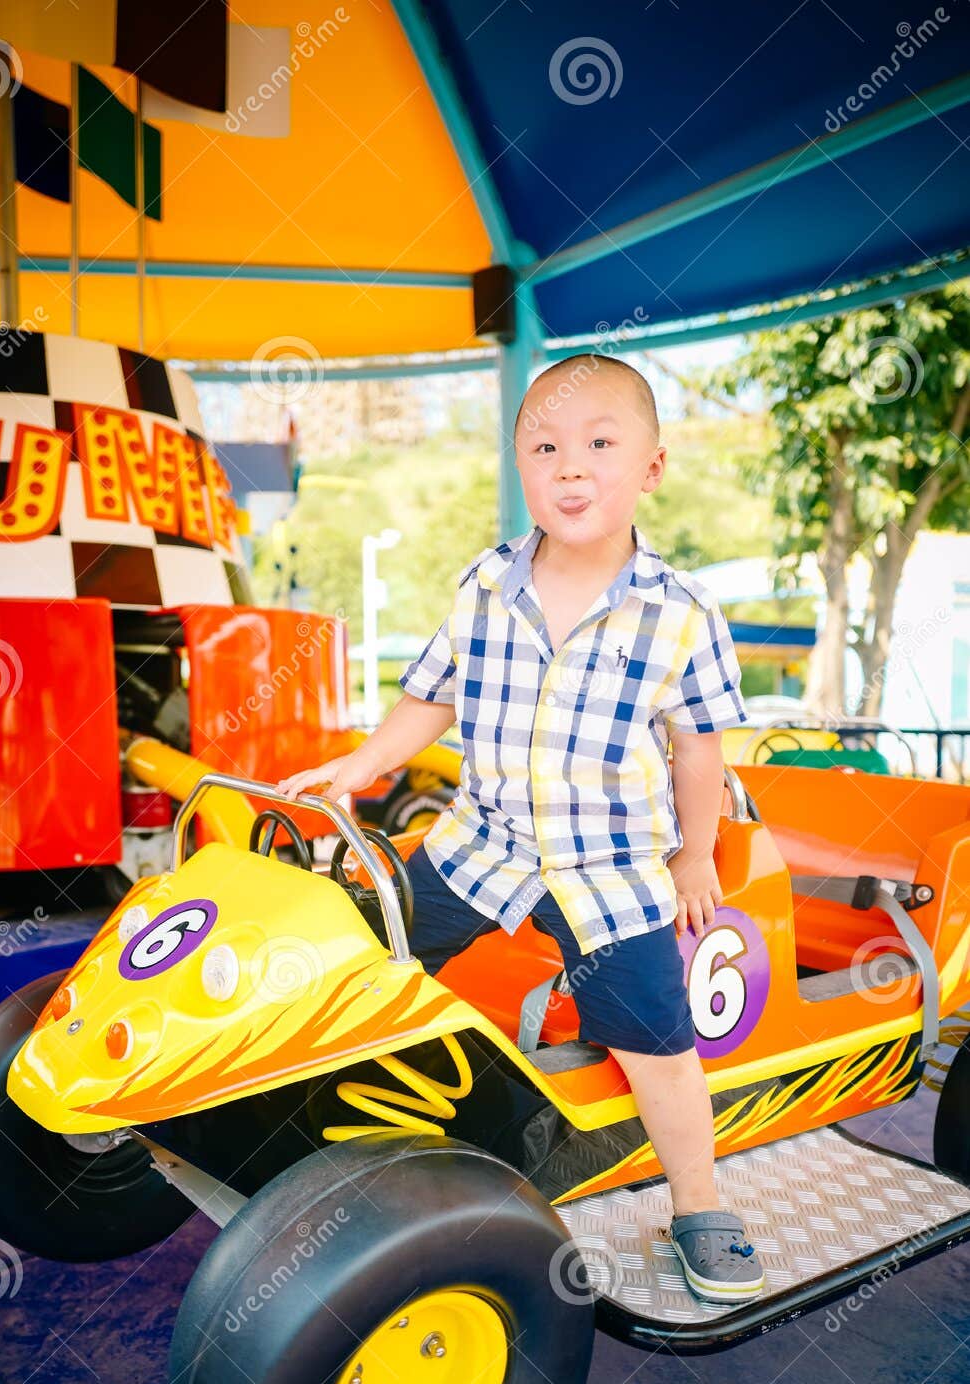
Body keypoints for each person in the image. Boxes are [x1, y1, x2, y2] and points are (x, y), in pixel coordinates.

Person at [278, 354, 765, 1302]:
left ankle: (700, 1205)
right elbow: (430, 697)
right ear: (520, 467)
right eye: (545, 448)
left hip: (611, 867)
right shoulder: (485, 584)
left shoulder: (681, 612)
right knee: (360, 942)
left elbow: (700, 748)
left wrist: (695, 854)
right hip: (481, 844)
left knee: (658, 1044)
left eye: (597, 445)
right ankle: (309, 1116)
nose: (570, 469)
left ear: (651, 469)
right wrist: (363, 764)